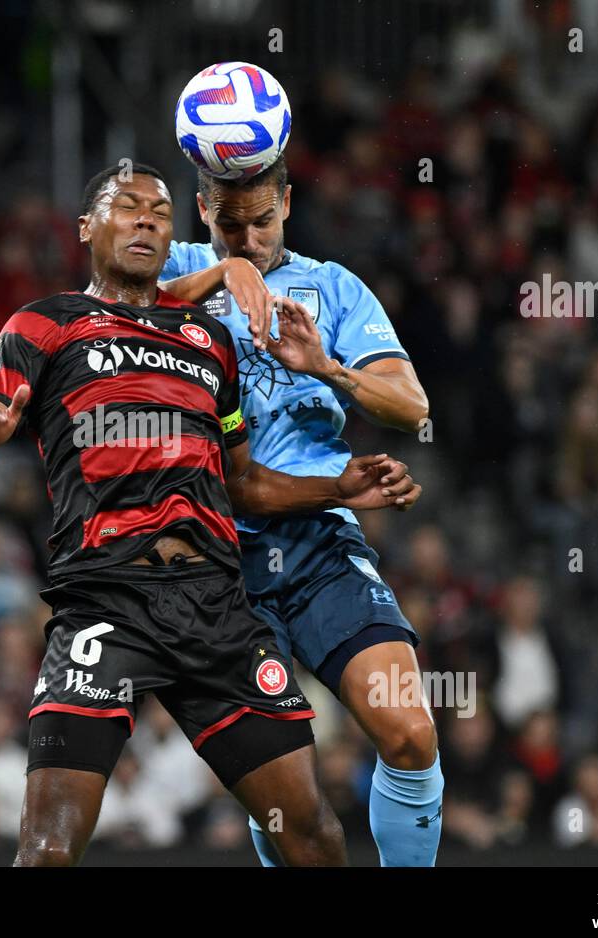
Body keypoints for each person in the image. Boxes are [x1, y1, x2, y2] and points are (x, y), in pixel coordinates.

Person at [0, 164, 421, 866]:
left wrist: (339, 489)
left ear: (175, 234)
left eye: (158, 212)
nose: (145, 219)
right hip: (105, 603)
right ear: (87, 227)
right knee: (47, 849)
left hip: (214, 605)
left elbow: (245, 484)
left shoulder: (209, 342)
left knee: (314, 835)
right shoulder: (46, 324)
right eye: (126, 207)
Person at [160, 153, 442, 866]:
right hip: (214, 558)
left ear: (287, 204)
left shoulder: (335, 289)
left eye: (260, 222)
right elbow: (105, 318)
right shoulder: (175, 265)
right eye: (230, 224)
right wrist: (224, 274)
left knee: (410, 731)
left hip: (319, 539)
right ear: (202, 211)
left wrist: (325, 367)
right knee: (286, 797)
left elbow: (411, 406)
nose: (247, 239)